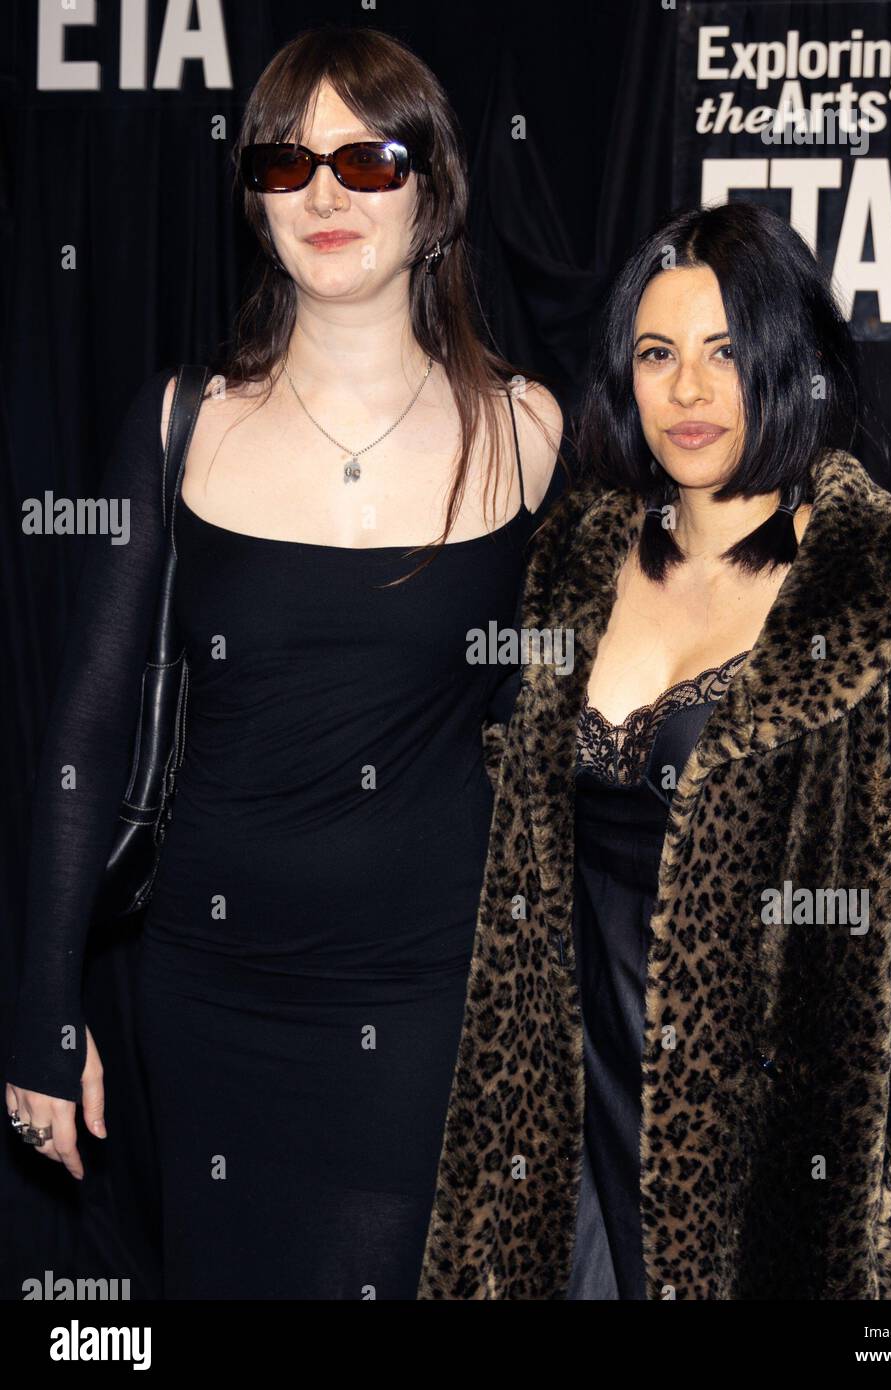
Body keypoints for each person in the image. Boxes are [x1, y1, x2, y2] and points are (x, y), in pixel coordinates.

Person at [6, 26, 563, 1299]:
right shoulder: (185, 422)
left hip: (426, 993)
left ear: (432, 192)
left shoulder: (525, 432)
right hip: (209, 993)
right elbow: (85, 740)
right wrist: (43, 1007)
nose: (322, 194)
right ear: (252, 200)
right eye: (284, 162)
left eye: (366, 160)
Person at [418, 201, 891, 1300]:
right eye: (657, 354)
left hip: (776, 1183)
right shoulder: (569, 562)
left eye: (726, 352)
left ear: (790, 365)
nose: (690, 392)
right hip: (561, 1155)